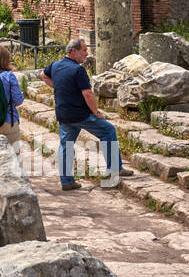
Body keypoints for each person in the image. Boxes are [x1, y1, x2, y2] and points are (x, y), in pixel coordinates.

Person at [42, 38, 135, 191]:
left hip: (64, 114)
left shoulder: (55, 65)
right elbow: (88, 94)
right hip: (81, 114)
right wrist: (96, 112)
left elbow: (43, 75)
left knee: (66, 145)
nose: (86, 53)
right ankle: (115, 168)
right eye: (84, 50)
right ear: (73, 51)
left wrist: (58, 87)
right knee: (108, 131)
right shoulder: (78, 70)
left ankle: (66, 181)